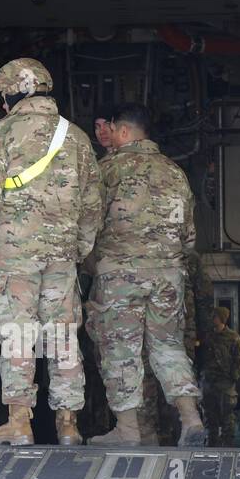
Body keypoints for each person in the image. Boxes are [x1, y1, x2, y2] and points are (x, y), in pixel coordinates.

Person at [0, 58, 103, 447]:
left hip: (14, 255)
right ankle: (68, 425)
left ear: (9, 95)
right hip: (61, 256)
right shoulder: (76, 138)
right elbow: (93, 204)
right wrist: (79, 249)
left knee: (18, 334)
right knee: (62, 337)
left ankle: (20, 422)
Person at [85, 104, 207, 447]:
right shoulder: (174, 172)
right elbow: (190, 236)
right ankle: (191, 418)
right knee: (167, 346)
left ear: (122, 132)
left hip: (121, 272)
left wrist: (91, 263)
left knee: (120, 349)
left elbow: (89, 223)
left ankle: (127, 431)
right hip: (168, 274)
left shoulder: (108, 169)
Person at [203, 305, 240, 446]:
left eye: (215, 316)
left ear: (222, 319)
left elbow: (239, 359)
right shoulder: (208, 336)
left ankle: (228, 444)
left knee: (227, 414)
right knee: (210, 414)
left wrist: (234, 376)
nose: (212, 319)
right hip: (209, 380)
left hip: (225, 381)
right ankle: (211, 442)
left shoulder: (233, 337)